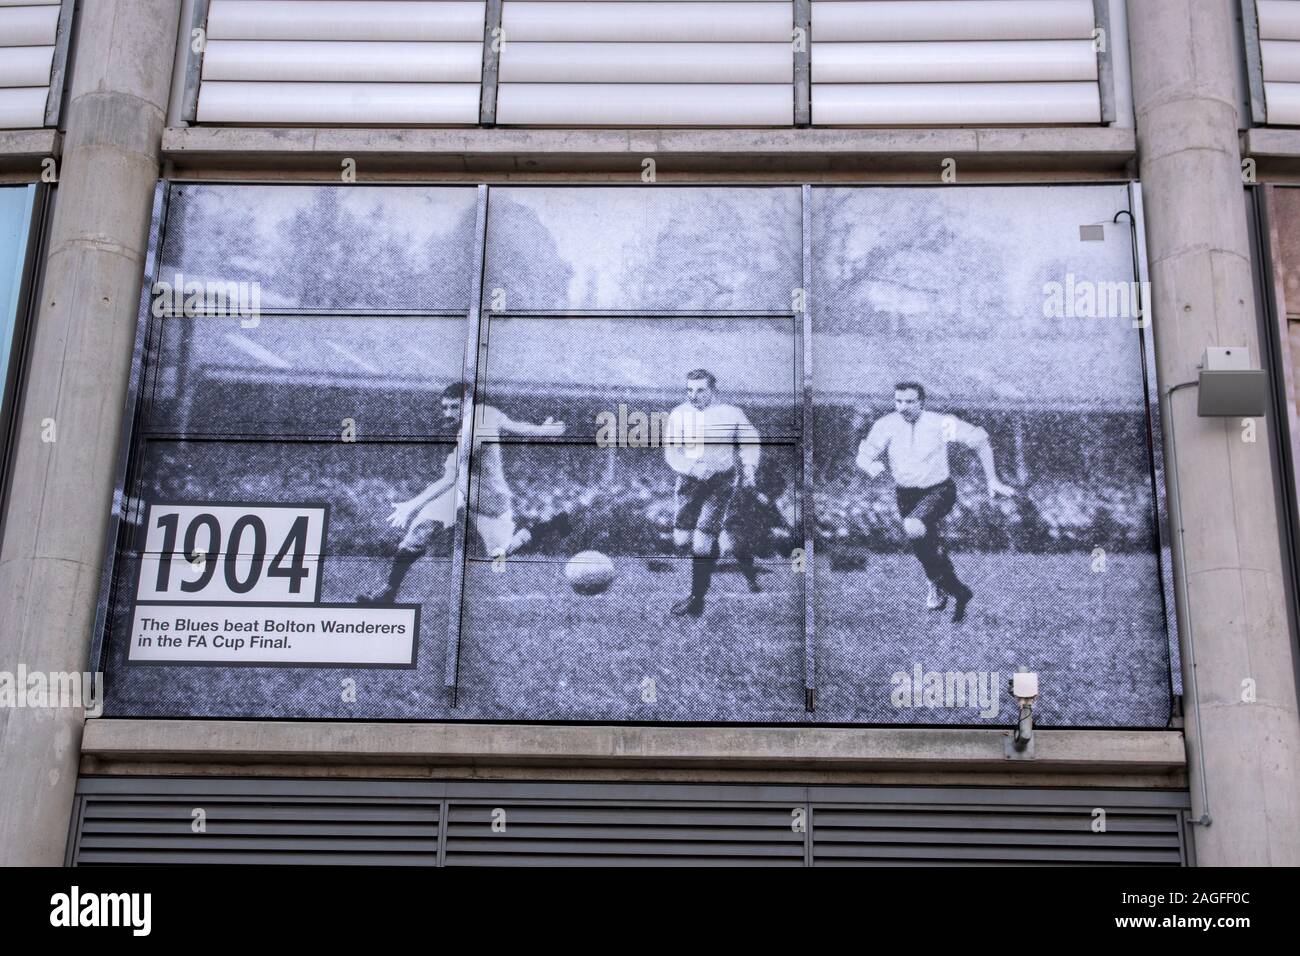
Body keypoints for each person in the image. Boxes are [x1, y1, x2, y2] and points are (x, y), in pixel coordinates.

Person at [358, 383, 568, 605]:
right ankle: (388, 592)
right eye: (445, 407)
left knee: (500, 555)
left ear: (467, 402)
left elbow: (450, 478)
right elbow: (516, 427)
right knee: (419, 532)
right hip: (462, 492)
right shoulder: (487, 412)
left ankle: (546, 525)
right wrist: (542, 430)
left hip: (489, 501)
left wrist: (413, 504)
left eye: (453, 407)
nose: (448, 414)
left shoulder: (471, 431)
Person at [856, 382, 1016, 623]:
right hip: (905, 494)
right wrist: (873, 467)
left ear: (922, 402)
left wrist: (993, 480)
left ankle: (935, 582)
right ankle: (955, 590)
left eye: (909, 402)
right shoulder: (886, 425)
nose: (903, 407)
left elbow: (979, 440)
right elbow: (863, 455)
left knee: (913, 526)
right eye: (898, 401)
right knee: (922, 543)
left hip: (939, 490)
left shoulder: (939, 423)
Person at [663, 369, 762, 617]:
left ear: (713, 391)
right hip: (689, 482)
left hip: (720, 482)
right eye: (689, 390)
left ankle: (697, 599)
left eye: (700, 390)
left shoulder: (731, 414)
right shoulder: (679, 414)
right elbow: (671, 453)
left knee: (701, 541)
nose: (693, 395)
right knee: (682, 539)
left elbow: (750, 441)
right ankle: (713, 544)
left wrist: (749, 468)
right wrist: (692, 467)